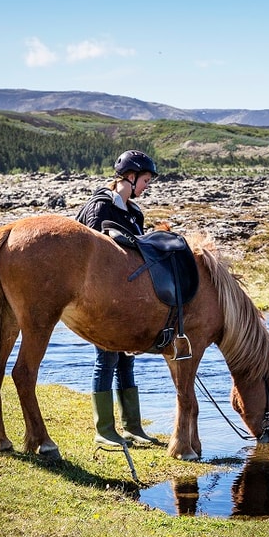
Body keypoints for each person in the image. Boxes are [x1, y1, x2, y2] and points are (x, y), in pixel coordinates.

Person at [74, 149, 161, 446]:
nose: (147, 186)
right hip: (101, 299)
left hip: (127, 299)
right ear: (131, 176)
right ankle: (104, 430)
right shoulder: (99, 206)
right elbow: (92, 255)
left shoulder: (135, 213)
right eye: (145, 180)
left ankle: (133, 427)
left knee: (126, 362)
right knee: (106, 359)